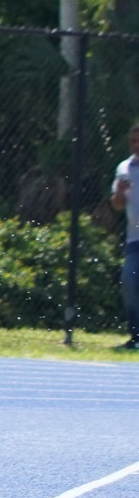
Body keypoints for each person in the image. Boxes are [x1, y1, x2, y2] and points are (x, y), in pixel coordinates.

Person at [106, 122, 139, 350]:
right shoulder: (124, 168)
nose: (136, 145)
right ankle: (136, 336)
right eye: (133, 141)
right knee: (129, 281)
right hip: (134, 238)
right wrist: (119, 192)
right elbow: (117, 205)